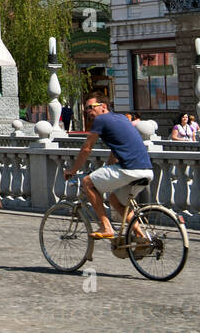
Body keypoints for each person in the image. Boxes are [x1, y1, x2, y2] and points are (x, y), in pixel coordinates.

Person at [63, 97, 155, 239]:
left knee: (87, 182)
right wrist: (109, 165)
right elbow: (118, 145)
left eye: (91, 107)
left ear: (103, 106)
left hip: (129, 169)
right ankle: (142, 237)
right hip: (147, 170)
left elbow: (87, 148)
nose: (88, 111)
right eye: (86, 108)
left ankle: (106, 226)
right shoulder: (122, 119)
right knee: (114, 200)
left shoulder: (101, 120)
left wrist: (73, 170)